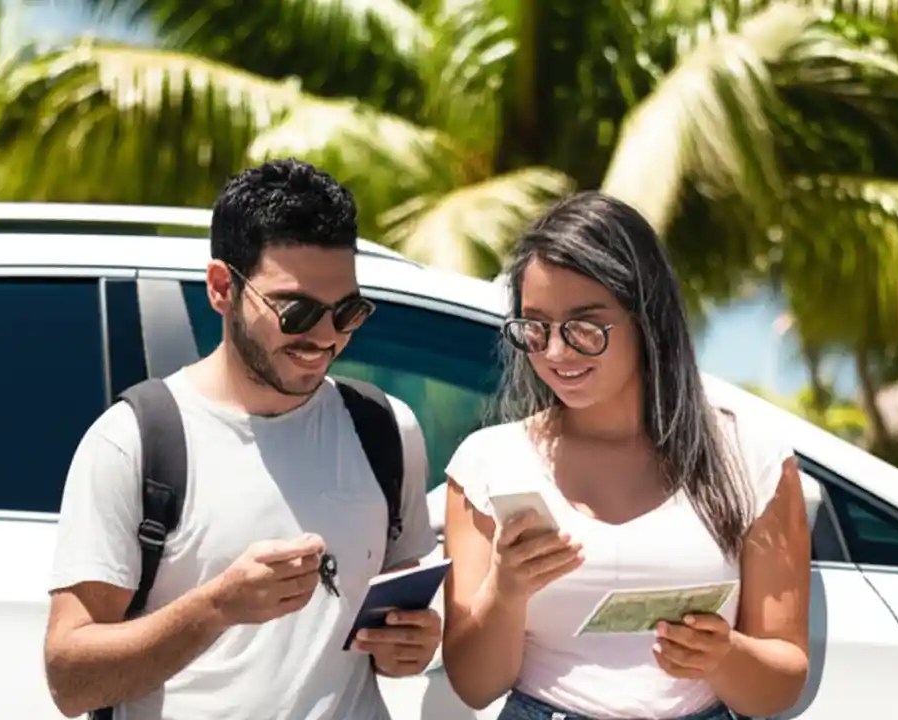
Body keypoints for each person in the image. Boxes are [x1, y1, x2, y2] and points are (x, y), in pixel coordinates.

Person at [42, 158, 441, 720]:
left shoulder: (385, 430)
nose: (326, 337)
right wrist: (216, 607)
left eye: (348, 311)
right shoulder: (135, 443)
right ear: (222, 287)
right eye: (296, 310)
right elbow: (70, 681)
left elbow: (393, 631)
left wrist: (411, 644)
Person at [441, 191, 811, 720]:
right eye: (535, 327)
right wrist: (506, 589)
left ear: (646, 319)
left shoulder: (752, 457)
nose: (556, 352)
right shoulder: (490, 462)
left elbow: (781, 683)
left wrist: (723, 654)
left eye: (585, 327)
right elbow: (474, 686)